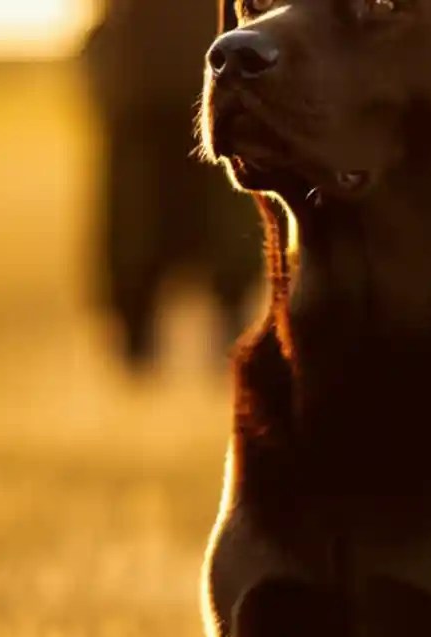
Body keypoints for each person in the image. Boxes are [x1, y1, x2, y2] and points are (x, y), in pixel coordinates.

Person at [81, 0, 262, 374]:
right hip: (155, 84)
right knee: (143, 223)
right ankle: (140, 342)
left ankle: (206, 335)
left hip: (176, 76)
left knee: (197, 220)